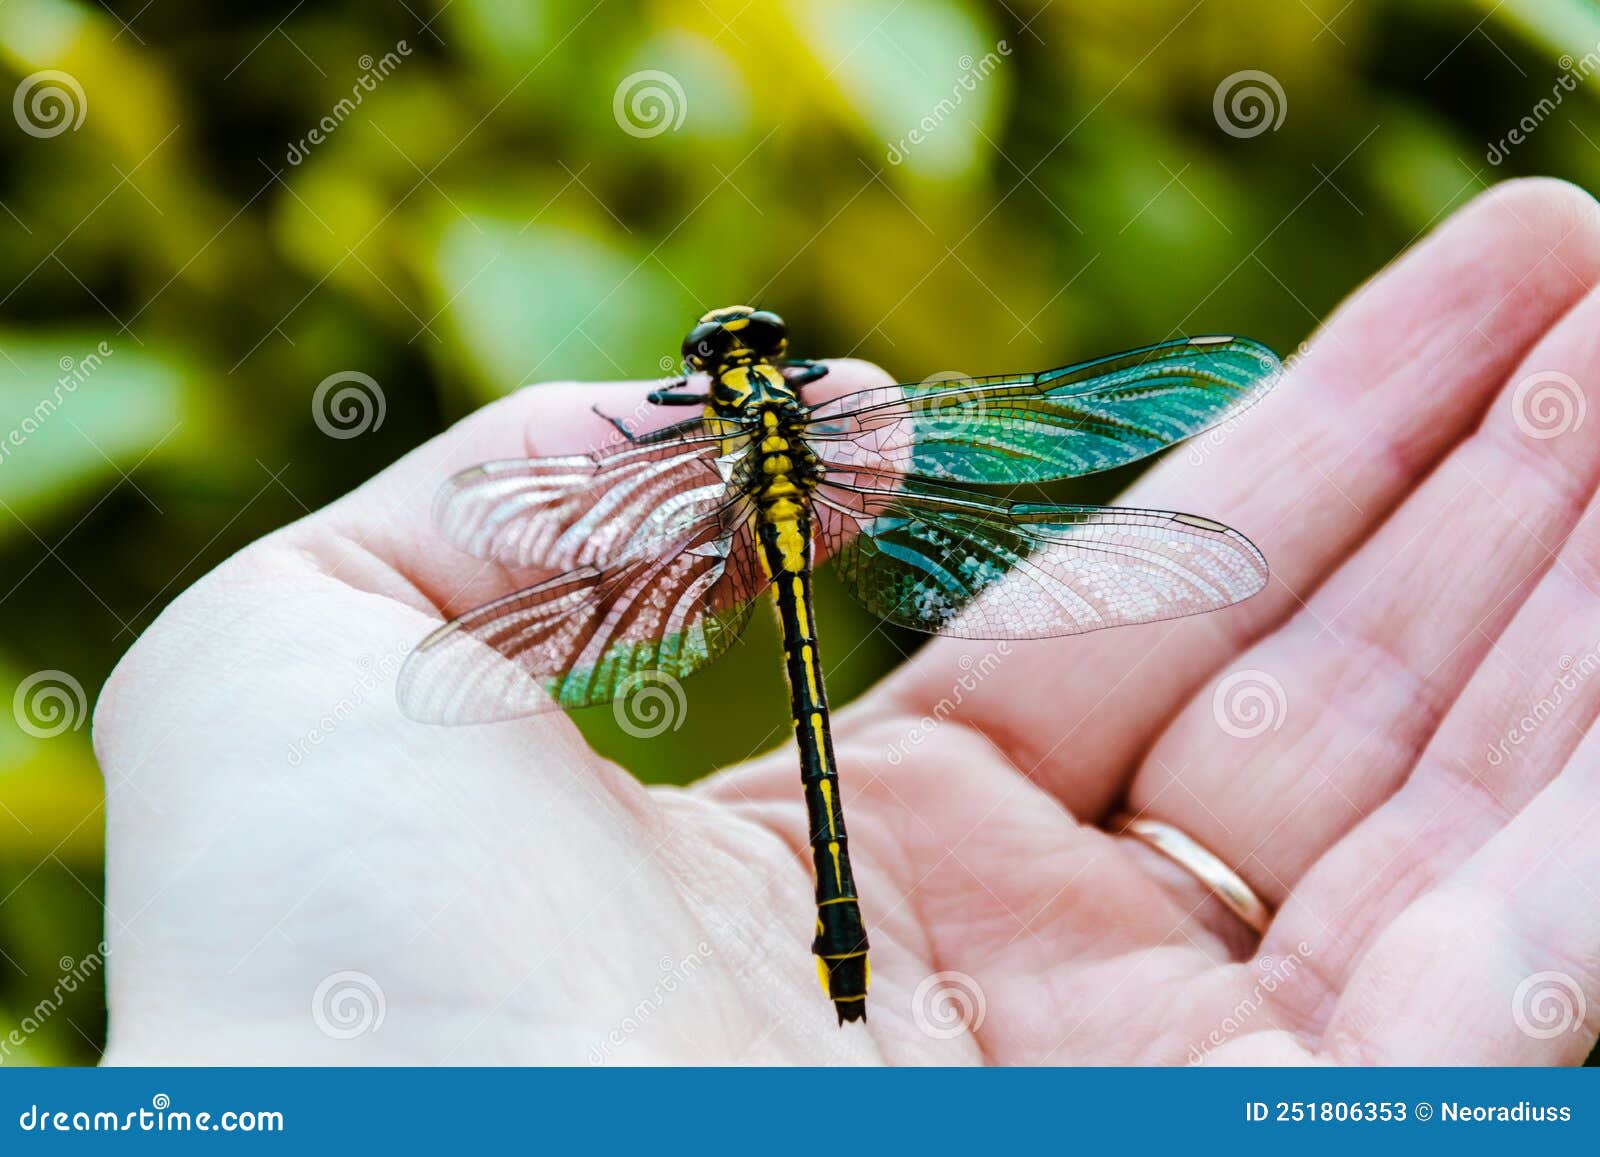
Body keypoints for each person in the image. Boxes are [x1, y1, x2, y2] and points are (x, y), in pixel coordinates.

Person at [94, 179, 1600, 1064]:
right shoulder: (807, 435)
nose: (737, 357)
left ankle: (837, 949)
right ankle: (843, 952)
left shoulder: (695, 442)